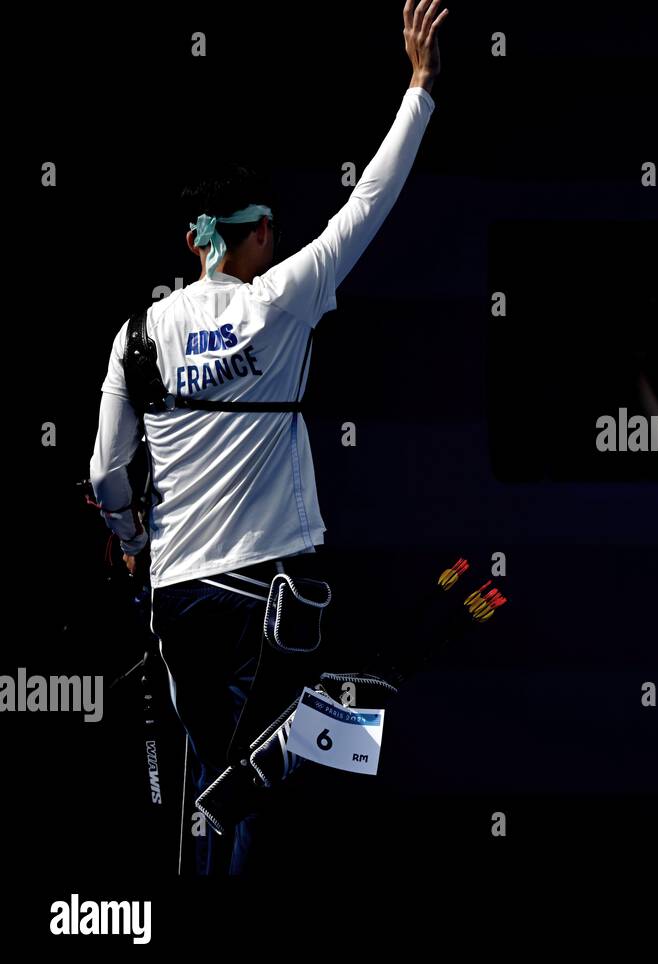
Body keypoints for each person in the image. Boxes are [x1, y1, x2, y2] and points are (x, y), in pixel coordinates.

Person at [87, 0, 449, 874]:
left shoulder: (136, 335)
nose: (276, 240)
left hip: (176, 596)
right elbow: (370, 200)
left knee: (212, 783)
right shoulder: (280, 300)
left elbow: (103, 474)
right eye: (269, 231)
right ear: (252, 236)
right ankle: (277, 759)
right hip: (268, 590)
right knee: (253, 787)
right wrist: (420, 88)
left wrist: (132, 543)